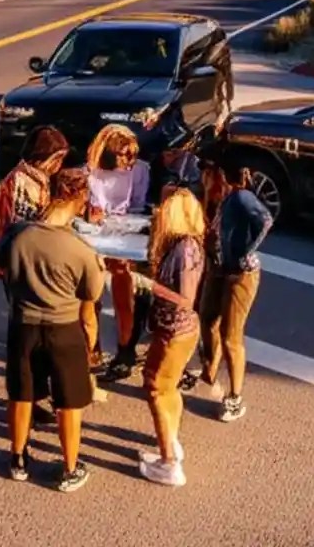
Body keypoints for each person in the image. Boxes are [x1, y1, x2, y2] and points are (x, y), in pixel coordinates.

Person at [0, 168, 104, 492]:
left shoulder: (17, 235)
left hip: (23, 325)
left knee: (21, 393)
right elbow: (91, 294)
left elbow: (1, 262)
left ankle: (18, 458)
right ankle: (70, 468)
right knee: (68, 401)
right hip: (63, 329)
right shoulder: (81, 251)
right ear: (79, 198)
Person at [0, 125, 72, 424]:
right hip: (23, 269)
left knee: (35, 337)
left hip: (28, 266)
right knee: (30, 338)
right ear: (43, 157)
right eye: (56, 158)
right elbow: (25, 230)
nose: (59, 165)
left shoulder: (37, 178)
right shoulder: (22, 182)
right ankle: (28, 399)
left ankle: (33, 396)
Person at [196, 154, 273, 422]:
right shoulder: (216, 197)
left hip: (241, 273)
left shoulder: (240, 197)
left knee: (231, 337)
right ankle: (209, 368)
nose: (202, 176)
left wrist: (246, 251)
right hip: (218, 268)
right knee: (207, 318)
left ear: (219, 173)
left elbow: (265, 220)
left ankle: (234, 397)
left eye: (207, 170)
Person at [138, 188, 207, 487]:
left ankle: (168, 462)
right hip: (186, 329)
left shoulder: (182, 249)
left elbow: (183, 298)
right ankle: (172, 445)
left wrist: (146, 285)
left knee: (156, 388)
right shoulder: (192, 244)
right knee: (169, 387)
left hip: (174, 330)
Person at [84, 125, 153, 383]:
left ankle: (125, 350)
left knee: (125, 292)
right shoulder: (91, 173)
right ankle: (92, 351)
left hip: (125, 235)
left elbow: (138, 205)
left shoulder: (140, 170)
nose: (129, 160)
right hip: (95, 235)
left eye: (132, 154)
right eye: (123, 154)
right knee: (91, 296)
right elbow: (91, 208)